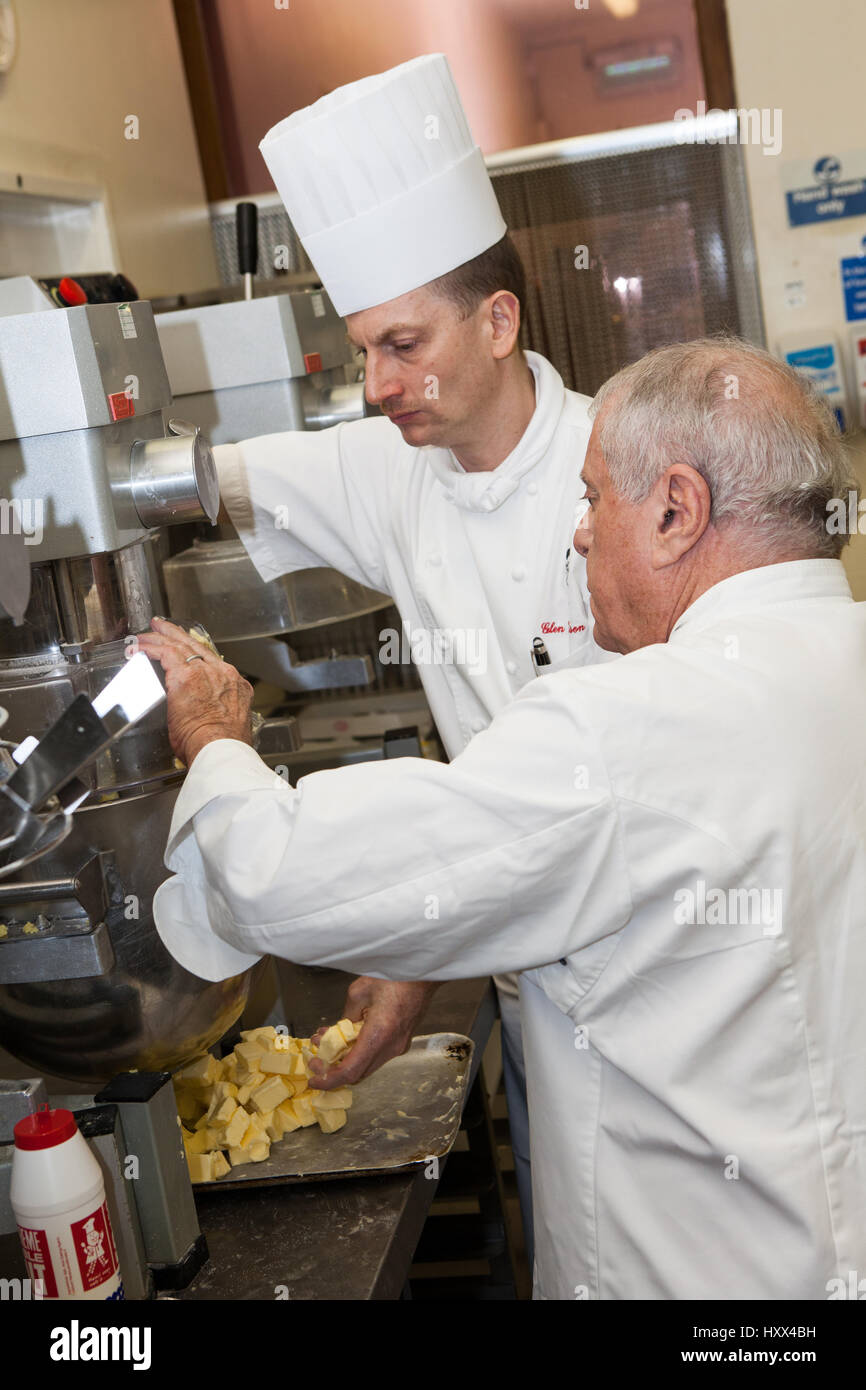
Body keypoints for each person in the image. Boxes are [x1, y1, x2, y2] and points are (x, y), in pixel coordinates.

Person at [141, 336, 866, 1299]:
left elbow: (285, 875)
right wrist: (434, 935)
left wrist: (215, 736)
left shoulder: (631, 723)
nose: (577, 534)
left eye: (595, 498)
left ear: (677, 510)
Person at [212, 53, 614, 1260]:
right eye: (361, 352)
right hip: (528, 996)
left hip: (660, 989)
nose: (375, 387)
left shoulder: (619, 478)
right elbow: (210, 487)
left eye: (400, 345)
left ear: (496, 322)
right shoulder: (401, 469)